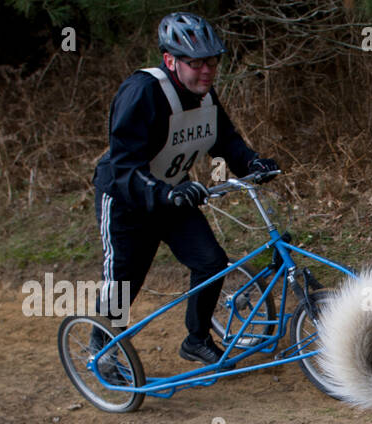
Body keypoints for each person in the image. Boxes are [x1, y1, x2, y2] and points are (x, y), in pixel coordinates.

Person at [91, 11, 279, 370]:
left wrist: (253, 163)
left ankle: (197, 340)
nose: (206, 71)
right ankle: (102, 354)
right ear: (170, 60)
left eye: (212, 62)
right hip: (127, 201)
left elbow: (226, 141)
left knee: (211, 262)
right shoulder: (142, 93)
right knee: (123, 283)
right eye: (196, 63)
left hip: (173, 195)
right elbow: (123, 168)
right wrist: (163, 194)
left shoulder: (205, 95)